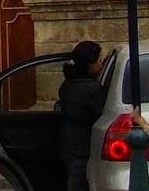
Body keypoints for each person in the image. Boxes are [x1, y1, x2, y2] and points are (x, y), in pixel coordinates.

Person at [57, 41, 106, 191]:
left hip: (69, 145)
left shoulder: (68, 85)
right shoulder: (92, 90)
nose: (101, 66)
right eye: (99, 61)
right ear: (89, 65)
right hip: (82, 149)